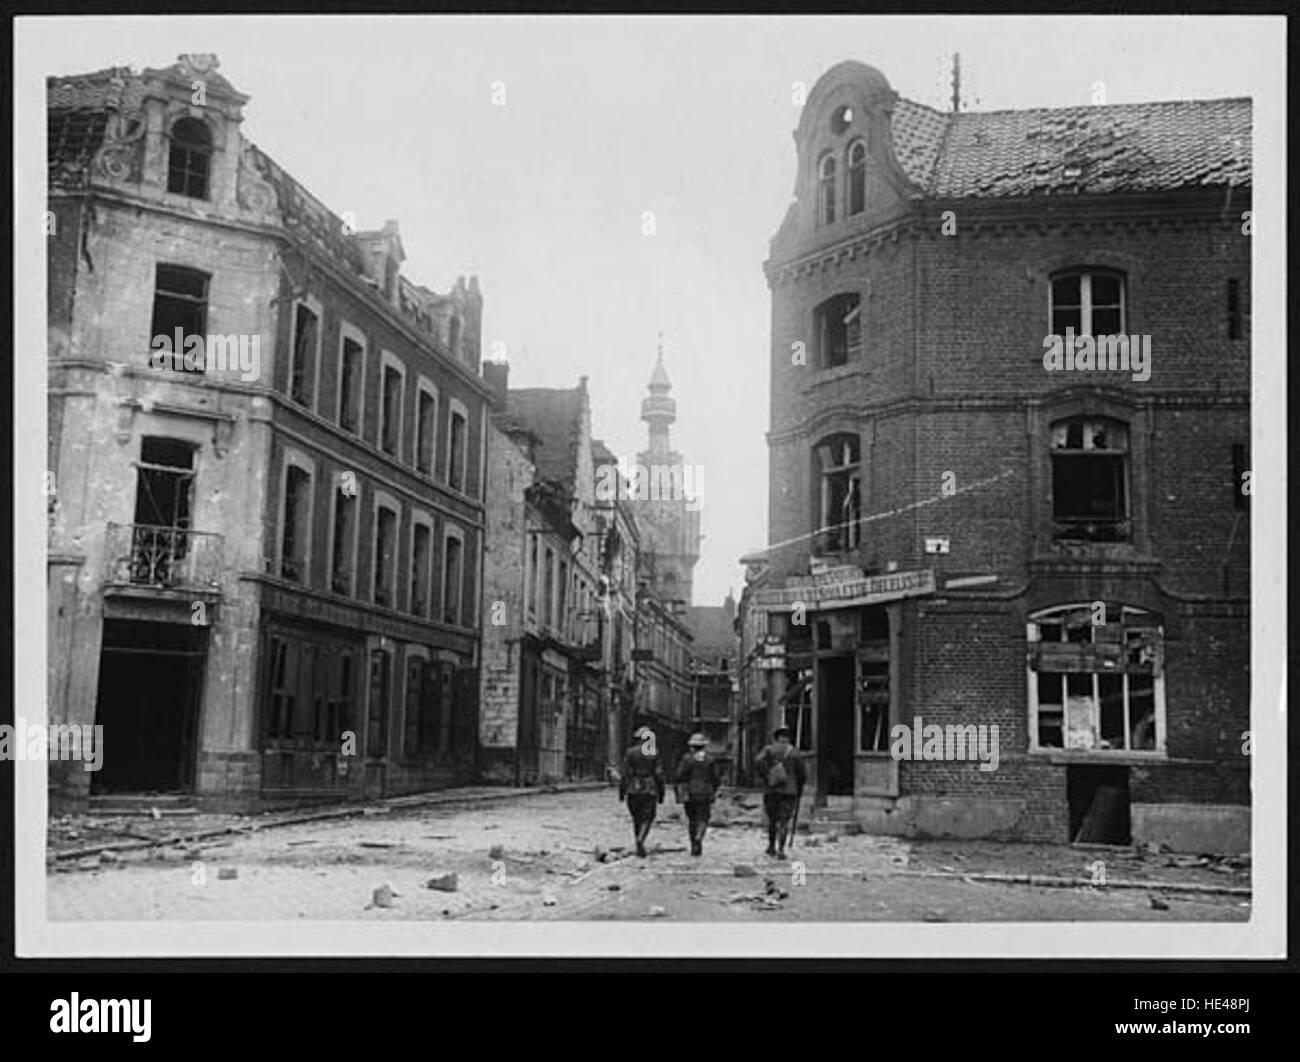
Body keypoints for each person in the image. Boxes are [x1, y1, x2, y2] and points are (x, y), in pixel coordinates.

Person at [753, 724, 806, 859]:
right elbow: (802, 773)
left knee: (772, 820)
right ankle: (781, 849)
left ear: (777, 737)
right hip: (789, 791)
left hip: (771, 789)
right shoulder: (794, 752)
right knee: (784, 821)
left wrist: (766, 775)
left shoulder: (769, 749)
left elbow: (758, 761)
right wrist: (799, 786)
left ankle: (771, 846)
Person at [618, 725, 665, 857]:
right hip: (649, 788)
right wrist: (661, 792)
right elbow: (659, 774)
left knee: (636, 817)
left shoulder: (630, 752)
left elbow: (625, 774)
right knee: (648, 817)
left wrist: (622, 792)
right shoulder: (654, 753)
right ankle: (641, 839)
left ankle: (638, 840)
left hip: (633, 787)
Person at [675, 732, 722, 857]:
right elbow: (715, 777)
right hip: (705, 792)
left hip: (690, 792)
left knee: (692, 820)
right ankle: (699, 837)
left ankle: (693, 845)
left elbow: (679, 775)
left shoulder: (687, 759)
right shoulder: (709, 759)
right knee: (703, 818)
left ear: (692, 746)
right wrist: (714, 789)